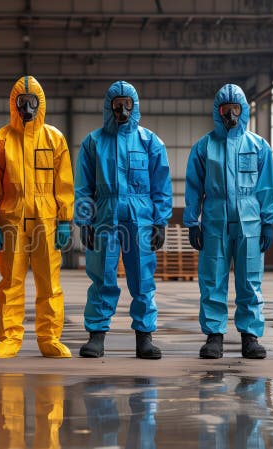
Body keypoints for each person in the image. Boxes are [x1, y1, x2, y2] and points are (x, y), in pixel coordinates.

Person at [74, 80, 172, 359]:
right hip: (104, 214)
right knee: (102, 275)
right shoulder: (94, 142)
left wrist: (160, 221)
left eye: (127, 106)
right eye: (117, 106)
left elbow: (161, 185)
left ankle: (144, 338)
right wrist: (85, 220)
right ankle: (96, 336)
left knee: (142, 278)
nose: (122, 111)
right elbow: (83, 186)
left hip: (140, 218)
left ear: (135, 107)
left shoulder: (150, 142)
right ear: (109, 107)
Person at [183, 84, 273, 360]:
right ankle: (214, 337)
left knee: (250, 279)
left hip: (250, 220)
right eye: (226, 110)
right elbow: (193, 186)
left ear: (244, 111)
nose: (231, 115)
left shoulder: (259, 146)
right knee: (212, 278)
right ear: (218, 112)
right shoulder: (204, 146)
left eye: (236, 109)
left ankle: (250, 337)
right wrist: (192, 222)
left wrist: (268, 221)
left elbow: (266, 188)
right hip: (214, 218)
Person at [0, 75, 75, 358]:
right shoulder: (0, 140)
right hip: (11, 219)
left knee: (49, 282)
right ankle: (10, 337)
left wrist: (64, 220)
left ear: (41, 104)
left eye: (32, 102)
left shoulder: (54, 138)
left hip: (46, 220)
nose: (27, 108)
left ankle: (49, 337)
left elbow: (64, 183)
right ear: (14, 104)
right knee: (10, 280)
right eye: (21, 102)